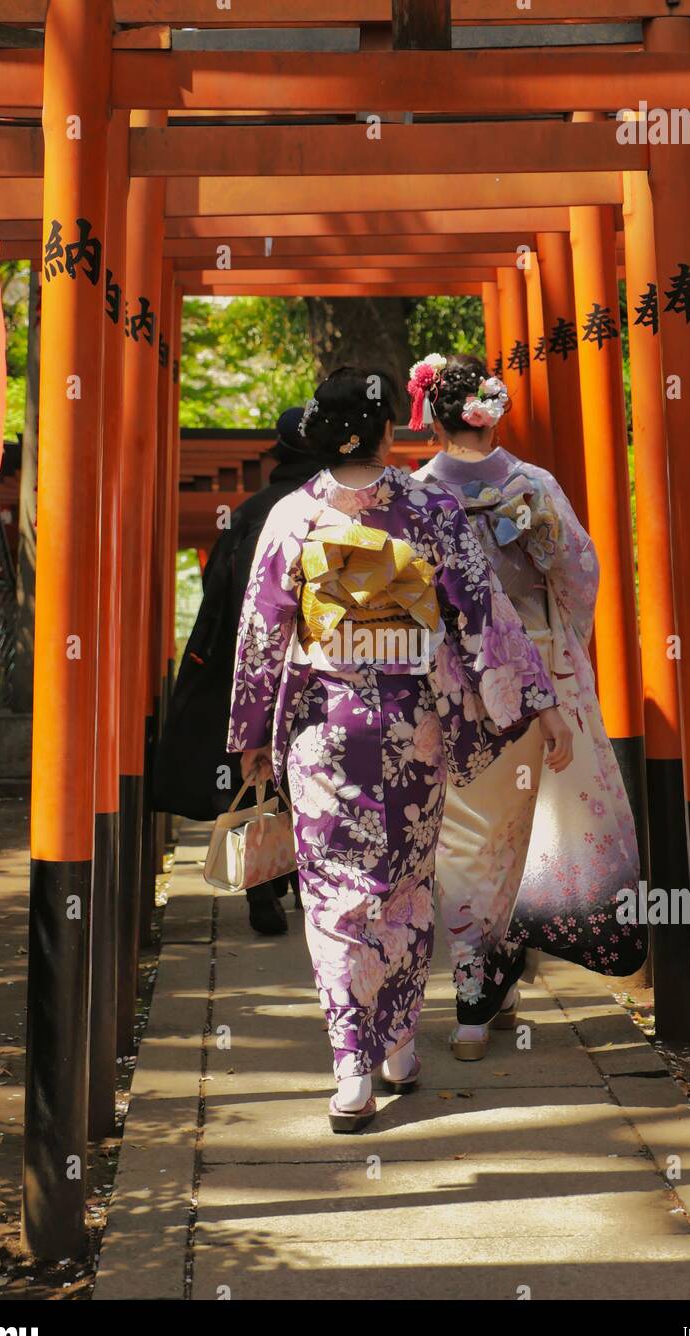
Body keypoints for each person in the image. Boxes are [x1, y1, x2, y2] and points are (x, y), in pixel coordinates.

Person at [227, 366, 572, 1132]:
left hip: (325, 729)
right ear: (385, 431)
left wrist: (253, 735)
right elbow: (482, 615)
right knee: (409, 886)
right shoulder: (429, 508)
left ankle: (350, 1064)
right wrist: (539, 704)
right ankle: (399, 1046)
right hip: (412, 727)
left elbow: (260, 634)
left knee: (333, 899)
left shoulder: (291, 517)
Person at [409, 353, 645, 1061]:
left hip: (457, 681)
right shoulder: (533, 483)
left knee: (469, 836)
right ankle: (500, 976)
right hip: (543, 665)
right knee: (538, 825)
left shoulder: (418, 492)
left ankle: (475, 1004)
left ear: (433, 416)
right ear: (491, 410)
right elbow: (579, 573)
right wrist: (566, 641)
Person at [152, 407, 319, 936]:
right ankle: (311, 884)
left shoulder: (249, 514)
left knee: (252, 772)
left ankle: (261, 883)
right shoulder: (331, 511)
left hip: (248, 663)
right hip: (321, 665)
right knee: (312, 774)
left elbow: (216, 592)